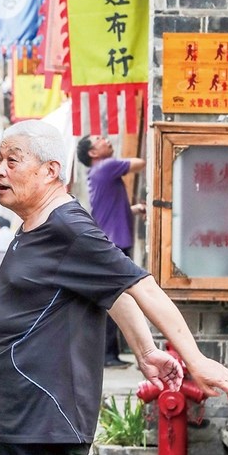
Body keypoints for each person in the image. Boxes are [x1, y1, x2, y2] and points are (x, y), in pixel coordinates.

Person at [0, 120, 228, 455]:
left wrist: (195, 359)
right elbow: (111, 292)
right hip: (11, 416)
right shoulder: (37, 225)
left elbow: (141, 286)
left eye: (11, 160)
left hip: (41, 420)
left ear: (50, 170)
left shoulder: (68, 226)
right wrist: (146, 350)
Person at [76, 134, 147, 368]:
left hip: (111, 242)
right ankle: (107, 355)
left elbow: (113, 207)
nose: (106, 139)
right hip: (115, 243)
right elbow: (140, 163)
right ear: (93, 153)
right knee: (116, 300)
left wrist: (134, 209)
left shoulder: (98, 173)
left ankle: (109, 354)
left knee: (117, 298)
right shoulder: (106, 166)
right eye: (99, 139)